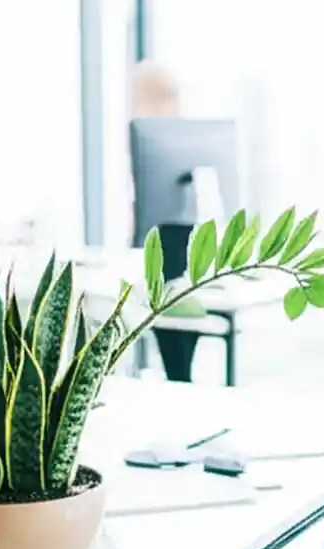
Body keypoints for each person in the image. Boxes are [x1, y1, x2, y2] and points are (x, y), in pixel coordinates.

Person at [131, 60, 198, 382]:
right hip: (152, 255)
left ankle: (180, 381)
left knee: (179, 348)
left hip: (183, 254)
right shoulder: (140, 142)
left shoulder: (184, 144)